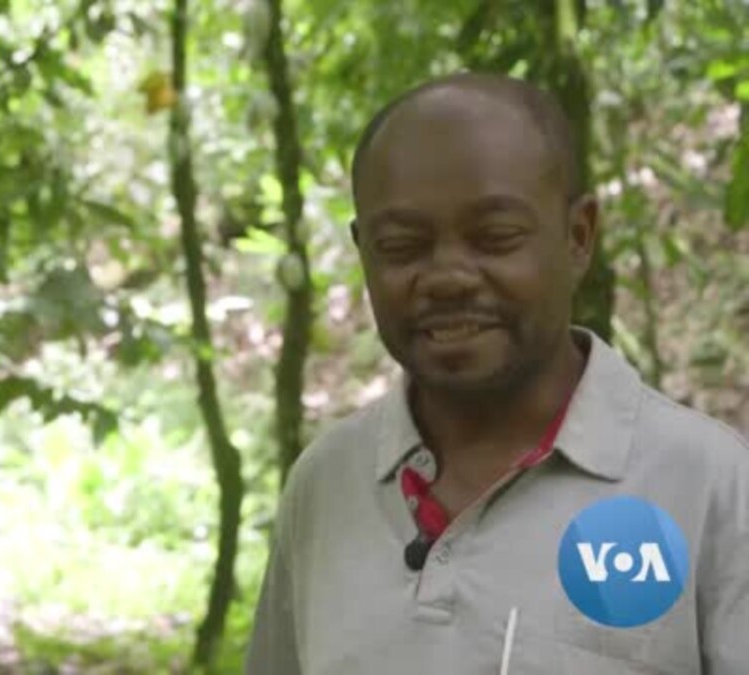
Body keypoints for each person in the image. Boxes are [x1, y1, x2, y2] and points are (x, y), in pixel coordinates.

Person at [245, 73, 749, 674]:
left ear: (578, 237)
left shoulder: (705, 486)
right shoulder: (325, 487)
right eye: (403, 246)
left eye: (496, 237)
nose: (449, 276)